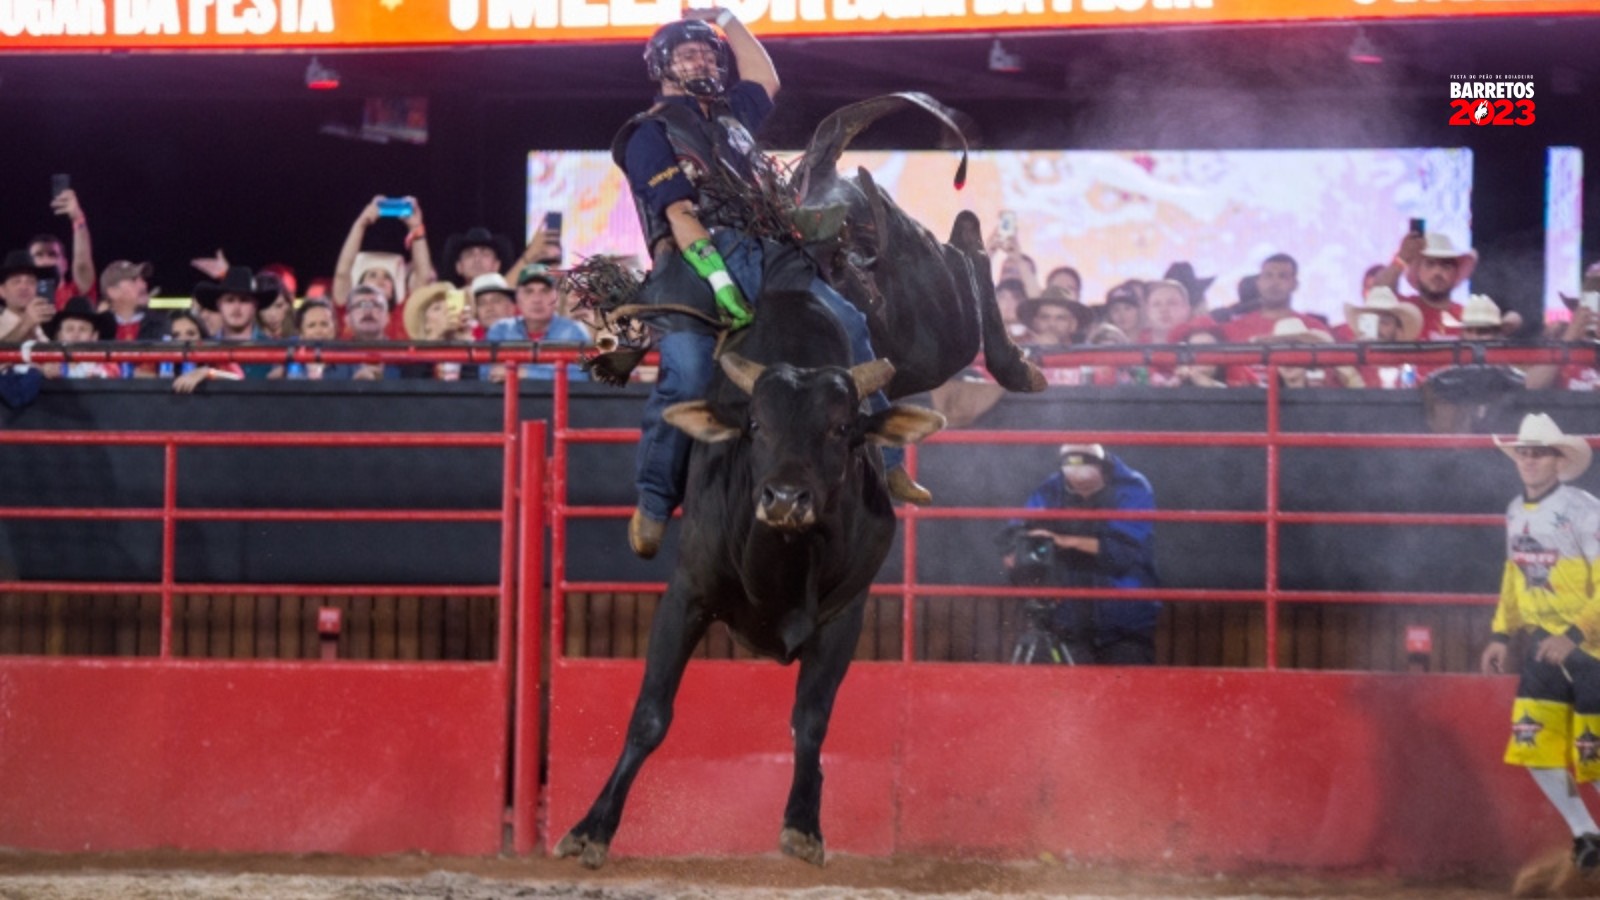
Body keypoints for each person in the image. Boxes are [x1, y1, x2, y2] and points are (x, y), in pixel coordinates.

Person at [615, 8, 926, 559]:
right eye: (689, 54)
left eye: (709, 54)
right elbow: (682, 216)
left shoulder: (732, 115)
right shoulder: (648, 133)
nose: (705, 60)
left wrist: (728, 19)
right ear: (661, 67)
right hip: (691, 260)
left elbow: (765, 77)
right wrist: (718, 280)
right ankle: (654, 502)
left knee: (849, 322)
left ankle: (892, 464)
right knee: (686, 374)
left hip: (767, 247)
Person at [1480, 412, 1600, 874]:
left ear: (1558, 460)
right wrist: (1500, 633)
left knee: (1594, 756)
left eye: (1538, 452)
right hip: (1541, 648)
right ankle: (1586, 832)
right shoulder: (1514, 511)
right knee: (1534, 748)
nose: (1529, 460)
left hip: (1590, 650)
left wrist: (1574, 635)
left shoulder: (1584, 510)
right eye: (1523, 452)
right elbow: (1514, 577)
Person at [1002, 443, 1161, 665]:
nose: (1080, 492)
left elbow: (1123, 553)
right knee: (1069, 691)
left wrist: (1063, 541)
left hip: (1124, 620)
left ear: (1103, 470)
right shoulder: (1051, 488)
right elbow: (1018, 526)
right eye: (1074, 488)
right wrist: (1016, 548)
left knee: (1127, 687)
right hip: (1069, 619)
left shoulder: (1132, 488)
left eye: (1088, 488)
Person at [484, 263, 589, 382]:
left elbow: (579, 377)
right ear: (517, 298)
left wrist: (522, 373)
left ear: (556, 297)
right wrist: (546, 374)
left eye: (545, 291)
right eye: (529, 291)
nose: (537, 299)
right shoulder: (500, 330)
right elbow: (486, 374)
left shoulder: (574, 331)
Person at [192, 267, 278, 379]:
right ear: (219, 305)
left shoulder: (274, 350)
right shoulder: (204, 350)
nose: (236, 308)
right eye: (230, 300)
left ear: (255, 306)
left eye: (244, 300)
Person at [31, 186, 97, 308]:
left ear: (65, 264)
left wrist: (78, 218)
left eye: (52, 255)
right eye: (39, 255)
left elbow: (82, 264)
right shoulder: (22, 299)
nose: (46, 261)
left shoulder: (77, 292)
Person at [42, 296, 118, 379]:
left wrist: (101, 378)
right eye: (69, 329)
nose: (75, 335)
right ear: (59, 335)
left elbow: (114, 373)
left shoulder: (105, 364)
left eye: (82, 329)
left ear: (94, 336)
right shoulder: (50, 363)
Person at [0, 249, 59, 343]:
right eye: (16, 282)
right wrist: (26, 324)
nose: (24, 287)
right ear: (2, 291)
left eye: (31, 282)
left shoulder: (43, 327)